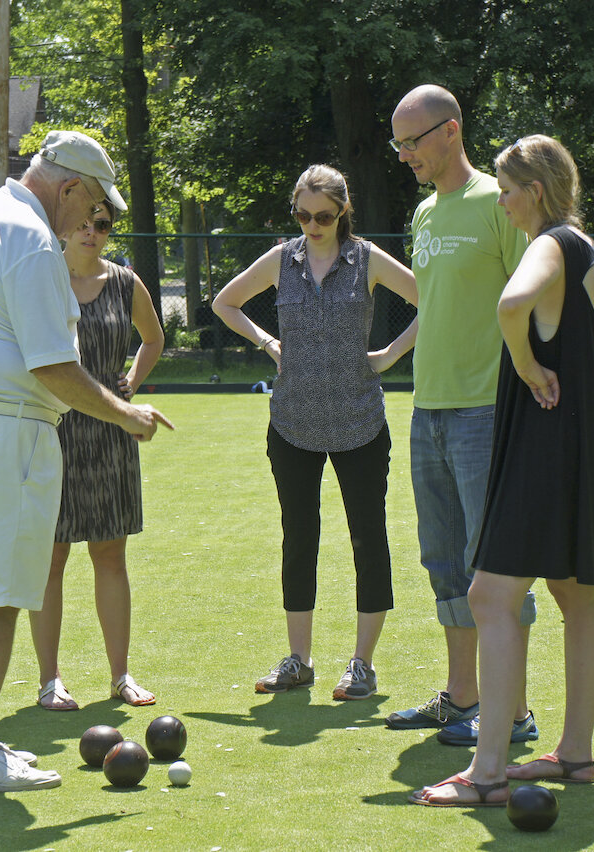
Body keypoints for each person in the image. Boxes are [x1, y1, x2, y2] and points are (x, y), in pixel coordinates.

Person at [0, 130, 172, 793]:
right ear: (68, 186)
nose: (92, 217)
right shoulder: (32, 239)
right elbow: (53, 365)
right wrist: (126, 415)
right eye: (91, 202)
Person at [410, 134, 594, 807]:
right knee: (576, 594)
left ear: (536, 191)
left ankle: (487, 774)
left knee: (489, 597)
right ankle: (575, 755)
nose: (501, 202)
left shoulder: (549, 245)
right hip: (589, 450)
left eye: (507, 191)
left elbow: (511, 306)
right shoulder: (589, 253)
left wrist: (530, 367)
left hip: (543, 450)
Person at [213, 164, 418, 700]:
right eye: (302, 215)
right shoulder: (282, 260)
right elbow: (224, 303)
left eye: (323, 216)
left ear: (343, 211)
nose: (312, 226)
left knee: (368, 538)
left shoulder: (368, 259)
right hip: (292, 423)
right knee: (299, 538)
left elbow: (436, 298)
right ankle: (298, 661)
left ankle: (362, 664)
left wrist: (390, 355)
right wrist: (267, 342)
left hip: (360, 422)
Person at [384, 84, 540, 747]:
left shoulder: (498, 203)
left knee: (495, 566)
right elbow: (435, 304)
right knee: (444, 562)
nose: (404, 155)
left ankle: (515, 713)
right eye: (397, 144)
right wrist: (391, 354)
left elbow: (531, 299)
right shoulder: (424, 213)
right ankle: (463, 698)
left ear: (451, 131)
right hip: (429, 412)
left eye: (412, 141)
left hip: (487, 412)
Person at [29, 200, 165, 710]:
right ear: (65, 226)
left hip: (111, 428)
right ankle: (50, 680)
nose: (91, 232)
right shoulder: (42, 279)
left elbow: (153, 339)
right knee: (51, 557)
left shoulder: (126, 283)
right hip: (54, 426)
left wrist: (129, 384)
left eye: (102, 224)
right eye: (83, 223)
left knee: (110, 555)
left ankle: (120, 676)